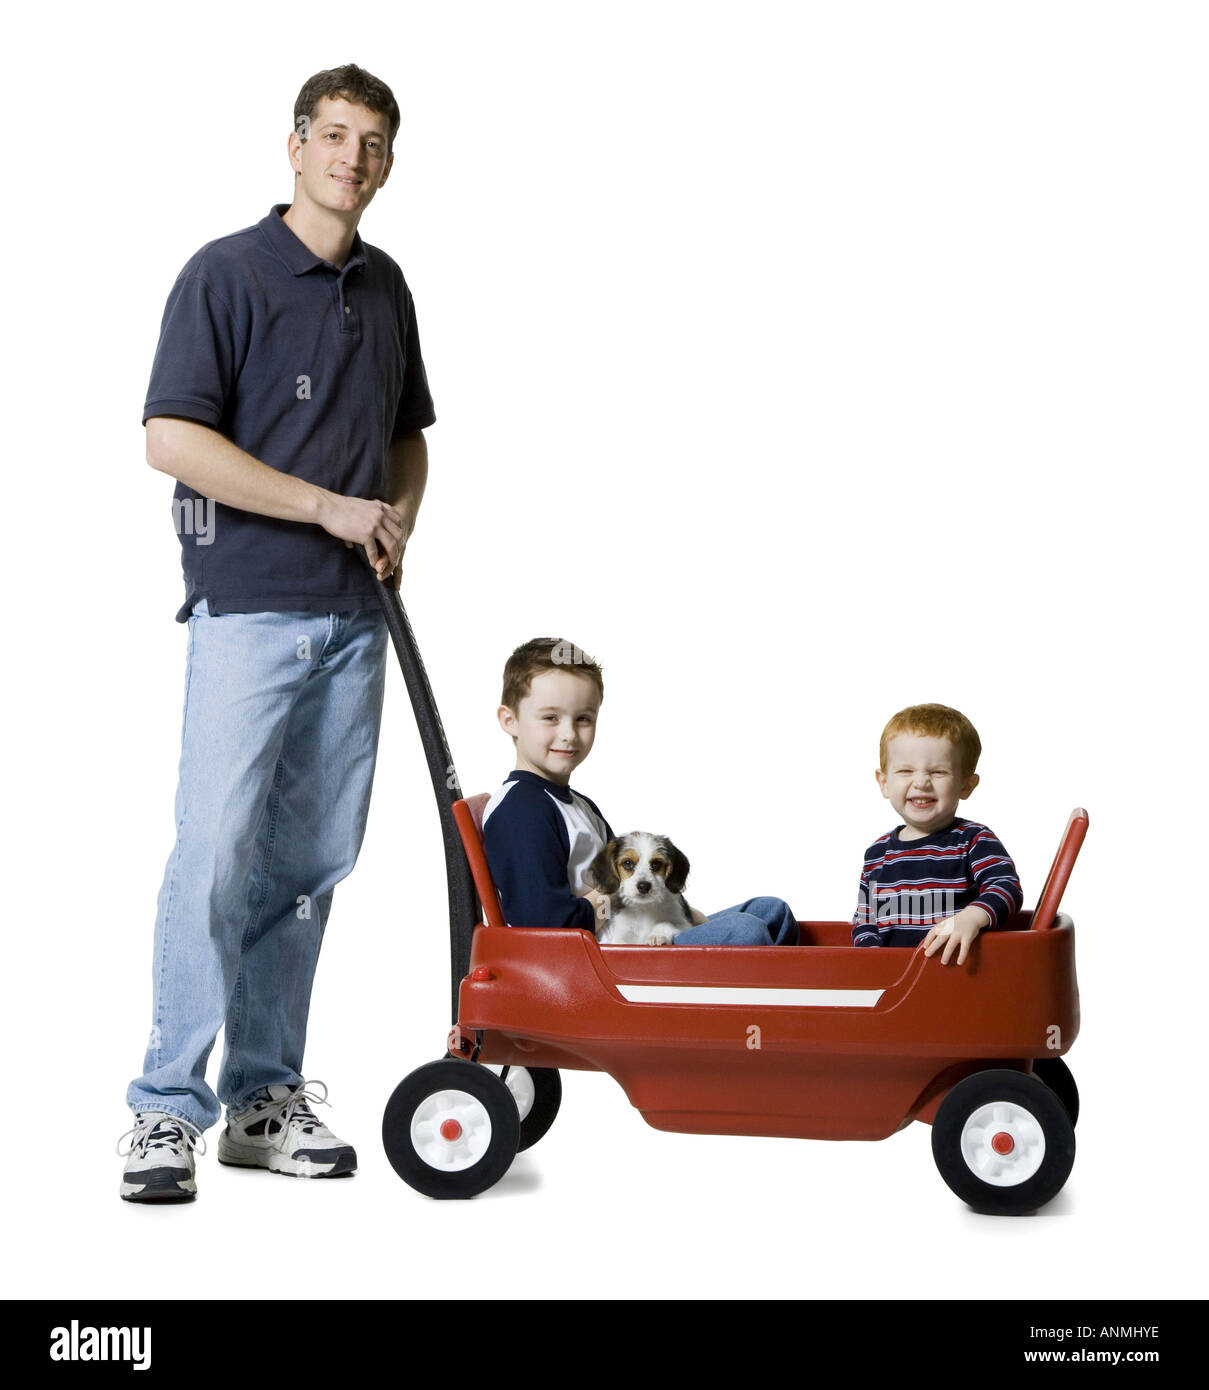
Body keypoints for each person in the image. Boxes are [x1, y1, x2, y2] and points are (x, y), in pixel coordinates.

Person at [119, 64, 435, 1203]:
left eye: (374, 142)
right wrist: (324, 507)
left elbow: (408, 436)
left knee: (306, 870)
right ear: (294, 145)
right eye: (335, 135)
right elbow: (169, 438)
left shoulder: (387, 287)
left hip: (357, 621)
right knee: (213, 856)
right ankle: (164, 1109)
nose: (353, 158)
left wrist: (396, 515)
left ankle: (262, 1096)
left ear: (389, 163)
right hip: (249, 609)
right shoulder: (227, 274)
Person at [481, 639, 798, 945]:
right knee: (746, 932)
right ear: (510, 720)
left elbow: (631, 883)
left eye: (583, 719)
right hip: (605, 961)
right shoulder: (522, 810)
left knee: (771, 911)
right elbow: (547, 927)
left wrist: (685, 916)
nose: (568, 734)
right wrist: (618, 892)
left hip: (642, 926)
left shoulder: (579, 805)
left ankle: (773, 989)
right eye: (551, 717)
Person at [851, 703, 1022, 964]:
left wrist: (971, 917)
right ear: (884, 782)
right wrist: (872, 961)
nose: (921, 782)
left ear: (966, 784)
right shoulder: (877, 855)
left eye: (938, 771)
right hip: (895, 983)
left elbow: (1006, 888)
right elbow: (865, 920)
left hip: (957, 977)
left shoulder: (973, 840)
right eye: (905, 770)